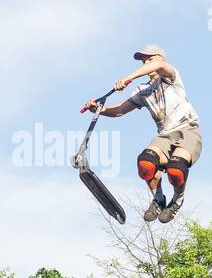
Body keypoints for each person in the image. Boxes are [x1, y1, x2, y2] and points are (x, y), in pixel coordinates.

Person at [82, 43, 202, 223]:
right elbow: (119, 111)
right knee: (145, 164)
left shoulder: (170, 76)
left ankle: (177, 199)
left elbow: (159, 67)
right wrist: (98, 109)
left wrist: (127, 78)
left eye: (149, 59)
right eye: (143, 61)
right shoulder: (142, 91)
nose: (146, 63)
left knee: (176, 171)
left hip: (187, 130)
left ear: (162, 59)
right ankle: (158, 198)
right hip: (164, 136)